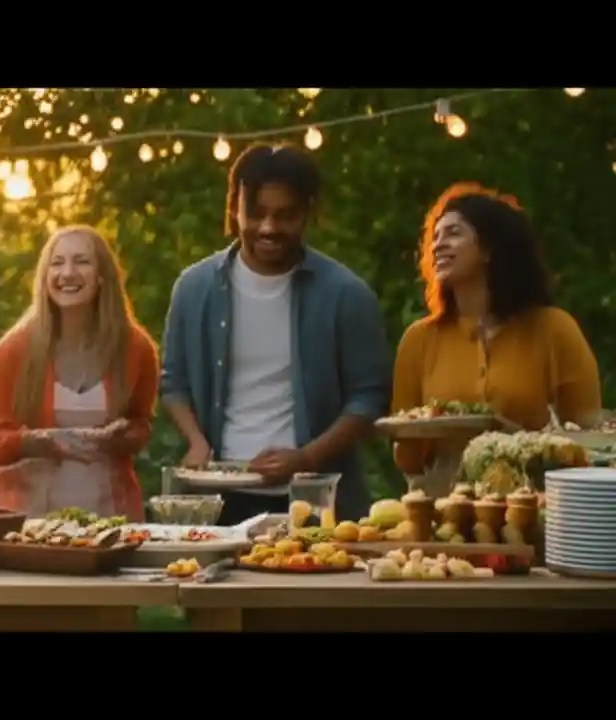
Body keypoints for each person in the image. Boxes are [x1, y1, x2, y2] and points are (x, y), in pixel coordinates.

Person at [159, 142, 392, 526]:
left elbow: (369, 398)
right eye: (256, 213)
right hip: (216, 500)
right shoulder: (193, 287)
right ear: (234, 206)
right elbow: (173, 382)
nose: (268, 228)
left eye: (285, 216)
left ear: (308, 213)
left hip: (314, 501)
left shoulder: (346, 294)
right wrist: (197, 442)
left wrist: (307, 457)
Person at [392, 182, 602, 474]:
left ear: (490, 248)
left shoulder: (554, 329)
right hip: (443, 507)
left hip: (536, 503)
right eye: (435, 236)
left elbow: (590, 438)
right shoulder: (419, 340)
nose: (438, 244)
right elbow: (406, 458)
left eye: (453, 233)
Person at [0, 225, 159, 520]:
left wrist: (121, 435)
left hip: (112, 518)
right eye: (57, 263)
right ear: (44, 277)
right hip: (30, 523)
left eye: (82, 261)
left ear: (102, 276)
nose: (67, 273)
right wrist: (45, 440)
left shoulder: (135, 347)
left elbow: (142, 424)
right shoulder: (13, 350)